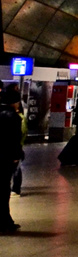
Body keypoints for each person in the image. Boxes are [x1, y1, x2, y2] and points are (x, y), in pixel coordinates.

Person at [0, 87, 22, 232]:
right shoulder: (13, 117)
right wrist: (16, 156)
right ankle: (5, 222)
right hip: (5, 158)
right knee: (3, 190)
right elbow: (15, 139)